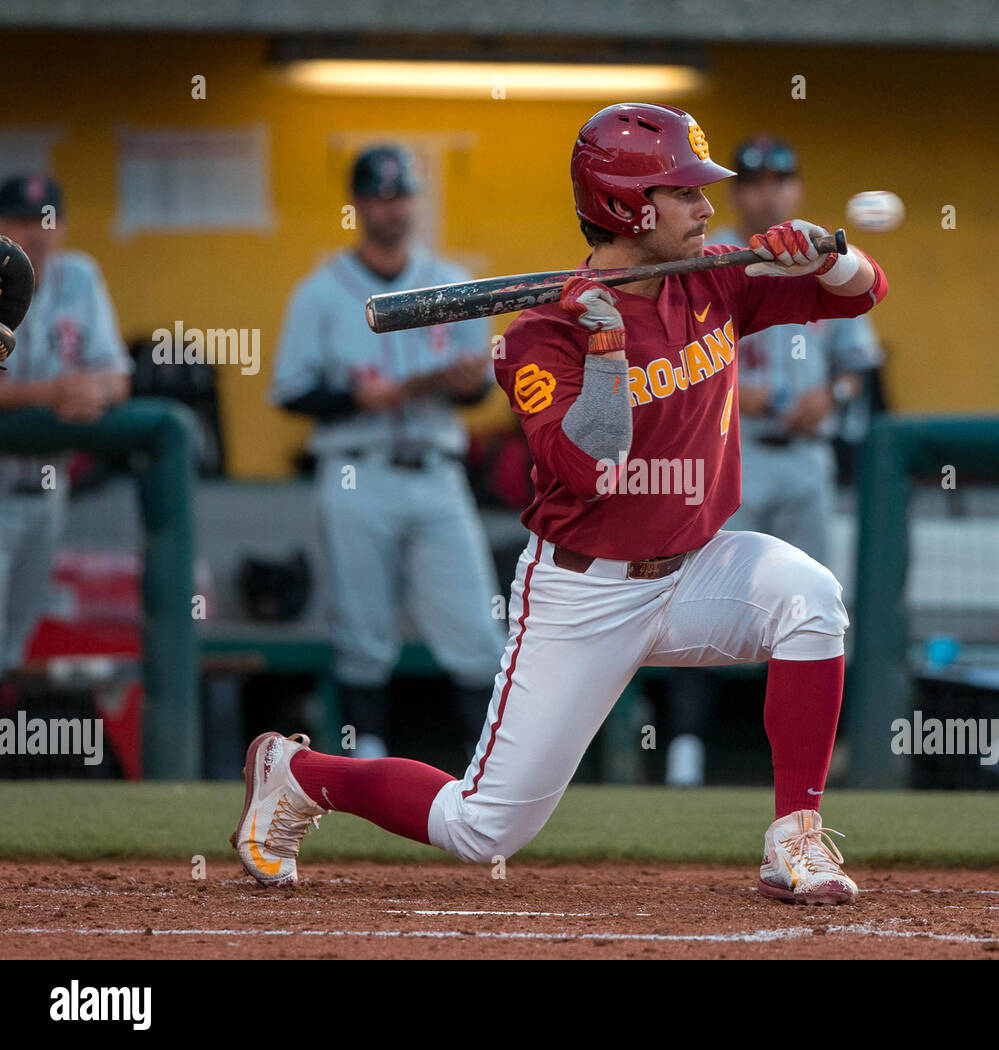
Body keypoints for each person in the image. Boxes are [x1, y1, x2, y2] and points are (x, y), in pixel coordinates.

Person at [235, 103, 888, 905]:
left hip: (695, 566)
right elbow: (587, 468)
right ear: (629, 206)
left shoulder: (714, 276)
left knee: (812, 597)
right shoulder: (542, 334)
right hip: (584, 591)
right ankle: (297, 773)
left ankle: (796, 838)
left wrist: (824, 255)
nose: (707, 206)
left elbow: (863, 296)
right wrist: (607, 355)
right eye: (685, 192)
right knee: (483, 830)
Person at [662, 135, 886, 787]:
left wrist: (833, 395)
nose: (767, 192)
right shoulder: (706, 258)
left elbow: (862, 370)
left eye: (779, 180)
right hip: (733, 454)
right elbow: (671, 360)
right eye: (754, 181)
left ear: (796, 189)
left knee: (815, 607)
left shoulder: (819, 255)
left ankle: (810, 763)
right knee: (700, 603)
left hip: (805, 459)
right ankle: (685, 750)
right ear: (736, 193)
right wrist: (735, 390)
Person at [269, 146, 504, 761]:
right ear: (358, 204)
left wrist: (464, 383)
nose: (393, 208)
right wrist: (352, 397)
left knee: (478, 633)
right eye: (380, 196)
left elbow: (482, 387)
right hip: (356, 469)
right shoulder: (319, 292)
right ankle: (366, 760)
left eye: (402, 196)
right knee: (362, 631)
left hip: (436, 469)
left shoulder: (453, 280)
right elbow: (290, 392)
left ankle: (483, 774)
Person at [0, 174, 131, 675]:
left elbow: (118, 375)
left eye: (46, 219)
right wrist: (50, 395)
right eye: (20, 220)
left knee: (13, 651)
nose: (36, 232)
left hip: (45, 497)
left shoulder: (78, 276)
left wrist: (90, 392)